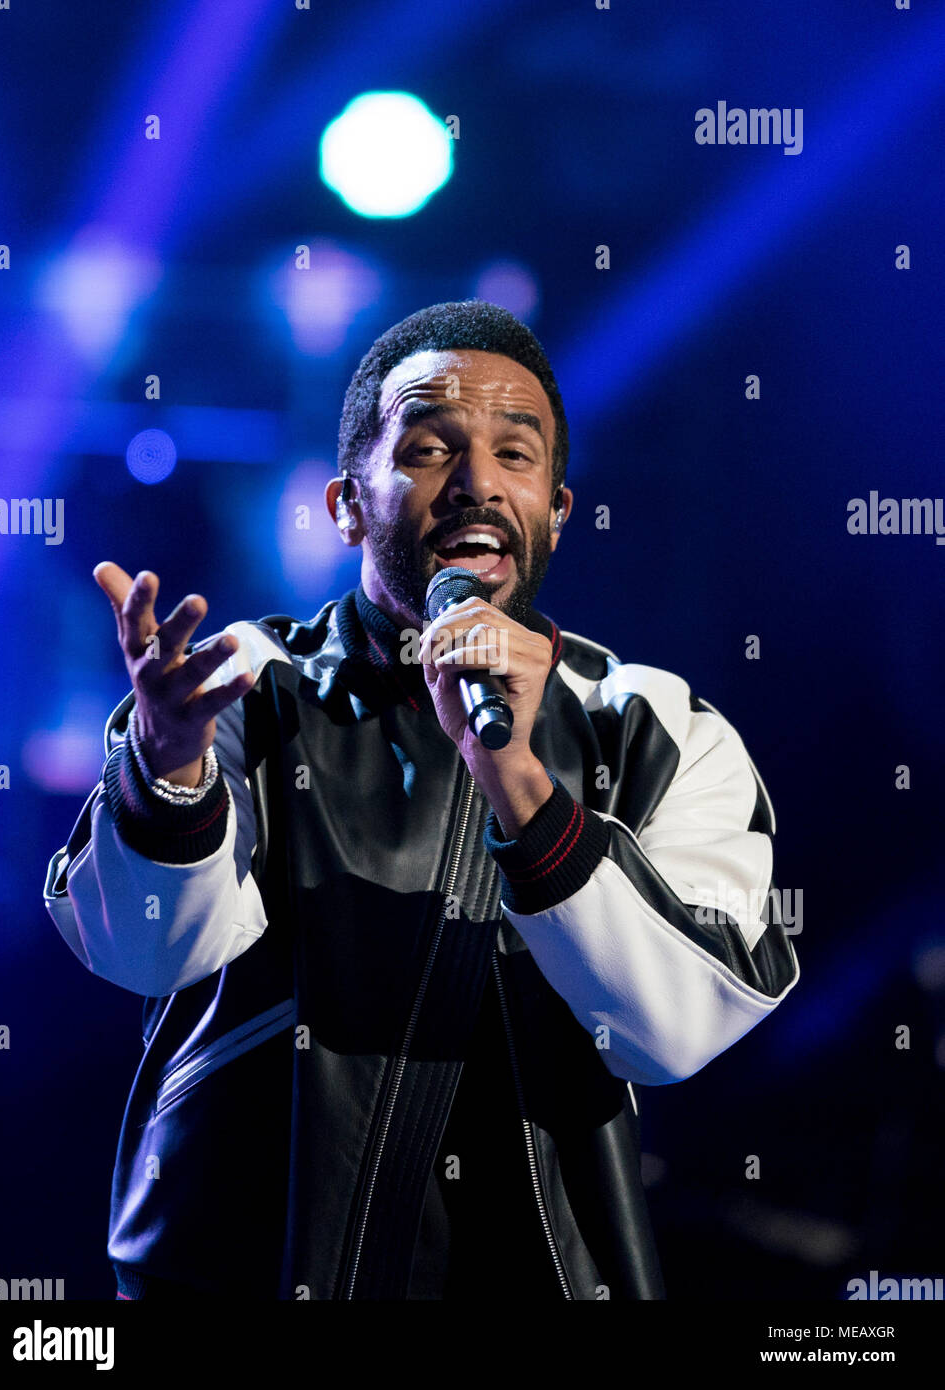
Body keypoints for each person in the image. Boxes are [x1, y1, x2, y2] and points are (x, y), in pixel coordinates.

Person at [43, 299, 799, 1301]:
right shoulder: (243, 687)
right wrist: (171, 768)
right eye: (430, 450)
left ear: (556, 513)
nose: (476, 484)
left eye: (515, 456)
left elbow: (673, 1028)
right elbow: (145, 948)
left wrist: (518, 778)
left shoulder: (654, 726)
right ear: (348, 504)